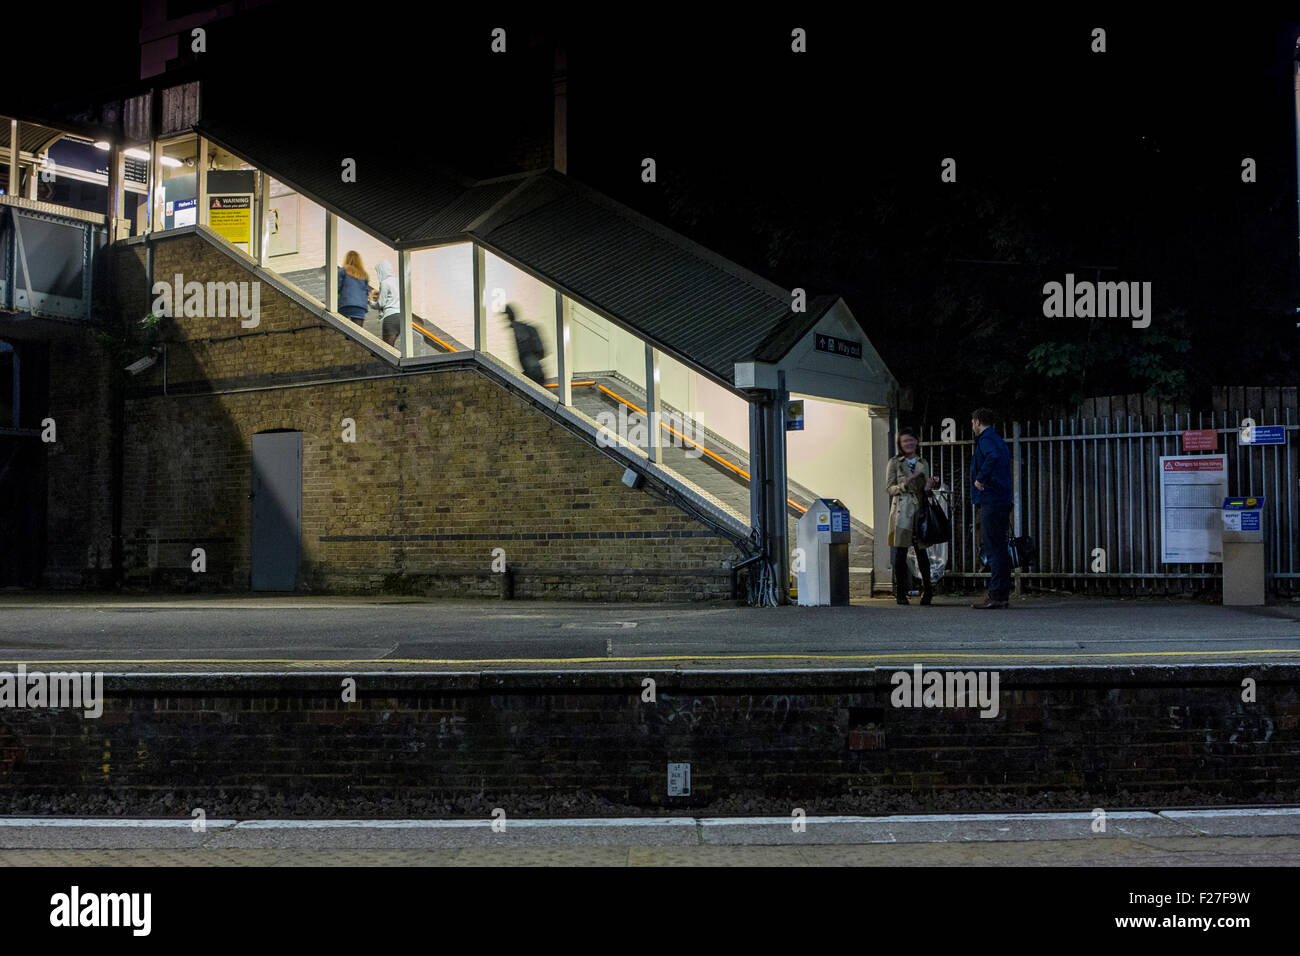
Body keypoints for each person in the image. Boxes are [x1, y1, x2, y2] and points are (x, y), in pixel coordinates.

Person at [885, 427, 941, 606]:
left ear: (917, 441)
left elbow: (925, 489)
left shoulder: (923, 462)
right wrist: (903, 484)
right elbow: (889, 488)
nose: (908, 444)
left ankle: (928, 592)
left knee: (922, 551)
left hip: (919, 509)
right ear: (900, 444)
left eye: (911, 440)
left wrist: (931, 485)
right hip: (902, 510)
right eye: (905, 441)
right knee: (900, 552)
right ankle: (901, 593)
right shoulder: (894, 463)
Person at [970, 407, 1013, 609]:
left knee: (993, 547)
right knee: (1000, 548)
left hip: (992, 499)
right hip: (1002, 498)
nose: (972, 426)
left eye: (972, 423)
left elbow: (992, 457)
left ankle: (996, 595)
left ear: (978, 422)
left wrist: (980, 478)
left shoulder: (986, 440)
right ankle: (1002, 594)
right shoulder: (997, 439)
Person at [503, 304, 546, 385]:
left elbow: (524, 349)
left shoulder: (519, 330)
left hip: (533, 371)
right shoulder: (522, 328)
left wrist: (526, 372)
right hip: (535, 369)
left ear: (509, 316)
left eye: (506, 316)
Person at [336, 251, 371, 328]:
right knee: (357, 333)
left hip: (346, 305)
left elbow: (336, 288)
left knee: (343, 330)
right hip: (360, 308)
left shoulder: (343, 271)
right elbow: (367, 292)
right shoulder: (364, 274)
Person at [371, 260, 401, 347]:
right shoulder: (398, 281)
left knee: (387, 348)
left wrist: (371, 302)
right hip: (401, 317)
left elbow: (381, 304)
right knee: (393, 346)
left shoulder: (385, 283)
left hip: (390, 318)